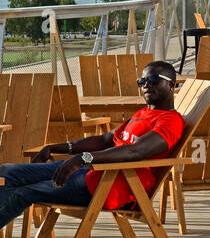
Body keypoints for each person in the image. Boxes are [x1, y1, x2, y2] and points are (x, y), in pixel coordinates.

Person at [0, 61, 186, 226]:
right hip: (91, 170)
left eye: (152, 80)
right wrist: (55, 148)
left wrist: (83, 158)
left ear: (170, 84)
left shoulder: (171, 121)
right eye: (142, 81)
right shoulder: (143, 113)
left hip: (108, 184)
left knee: (22, 193)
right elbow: (105, 140)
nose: (146, 85)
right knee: (6, 172)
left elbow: (136, 152)